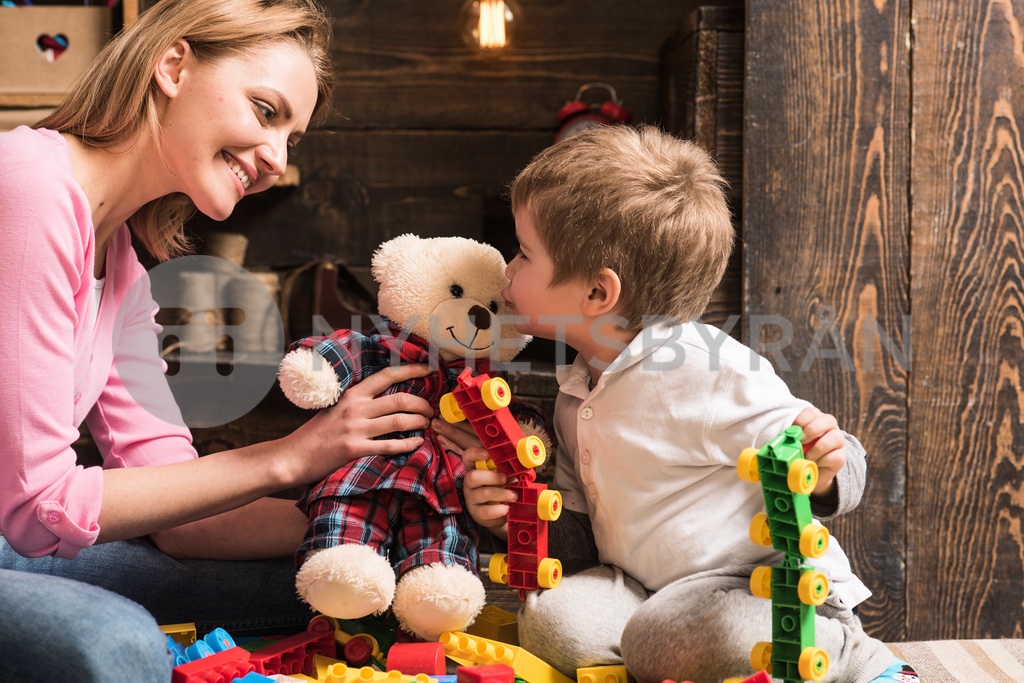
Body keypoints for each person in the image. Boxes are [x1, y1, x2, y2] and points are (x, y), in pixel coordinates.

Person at [0, 1, 434, 680]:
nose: (275, 157)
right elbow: (39, 507)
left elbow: (179, 514)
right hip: (14, 532)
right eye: (267, 112)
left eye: (294, 137)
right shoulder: (29, 184)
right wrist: (292, 456)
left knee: (315, 591)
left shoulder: (122, 272)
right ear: (172, 65)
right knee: (118, 642)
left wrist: (389, 518)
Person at [433, 124, 918, 683]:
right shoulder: (578, 387)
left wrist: (829, 469)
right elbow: (581, 540)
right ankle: (666, 659)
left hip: (751, 587)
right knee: (551, 621)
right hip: (642, 588)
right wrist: (511, 511)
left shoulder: (702, 367)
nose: (508, 271)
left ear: (597, 293)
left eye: (523, 254)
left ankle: (855, 655)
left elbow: (838, 459)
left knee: (671, 639)